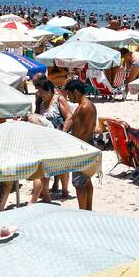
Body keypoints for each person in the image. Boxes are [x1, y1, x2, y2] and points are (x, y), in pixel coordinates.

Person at [62, 79, 96, 210]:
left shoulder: (85, 107)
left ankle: (83, 211)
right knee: (85, 180)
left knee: (79, 183)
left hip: (82, 148)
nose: (68, 98)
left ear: (75, 92)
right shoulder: (85, 105)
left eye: (69, 94)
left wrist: (73, 147)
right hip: (85, 146)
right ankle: (88, 209)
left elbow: (85, 131)